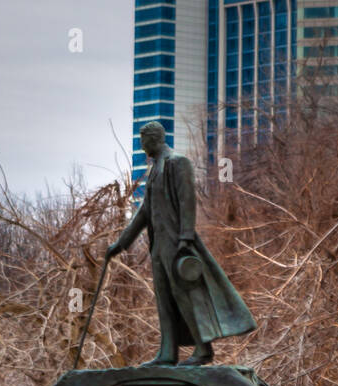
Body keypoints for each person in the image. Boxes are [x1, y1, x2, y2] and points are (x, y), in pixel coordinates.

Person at [107, 121, 256, 365]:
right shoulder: (155, 168)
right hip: (158, 245)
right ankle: (168, 352)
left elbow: (188, 201)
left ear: (154, 139)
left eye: (143, 140)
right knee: (164, 298)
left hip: (176, 242)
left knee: (185, 295)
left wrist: (186, 238)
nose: (142, 145)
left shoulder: (178, 162)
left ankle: (203, 348)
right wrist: (121, 244)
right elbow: (145, 211)